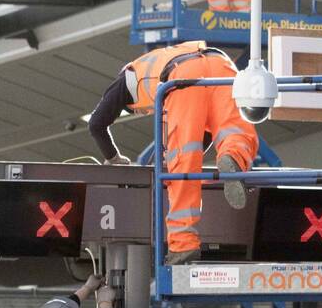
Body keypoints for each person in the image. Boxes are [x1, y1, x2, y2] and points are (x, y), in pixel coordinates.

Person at [88, 41, 258, 265]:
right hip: (222, 65)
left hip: (183, 77)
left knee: (182, 166)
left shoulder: (127, 78)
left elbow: (96, 124)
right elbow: (202, 134)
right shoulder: (161, 58)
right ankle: (234, 158)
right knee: (235, 131)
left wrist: (114, 159)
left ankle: (182, 245)